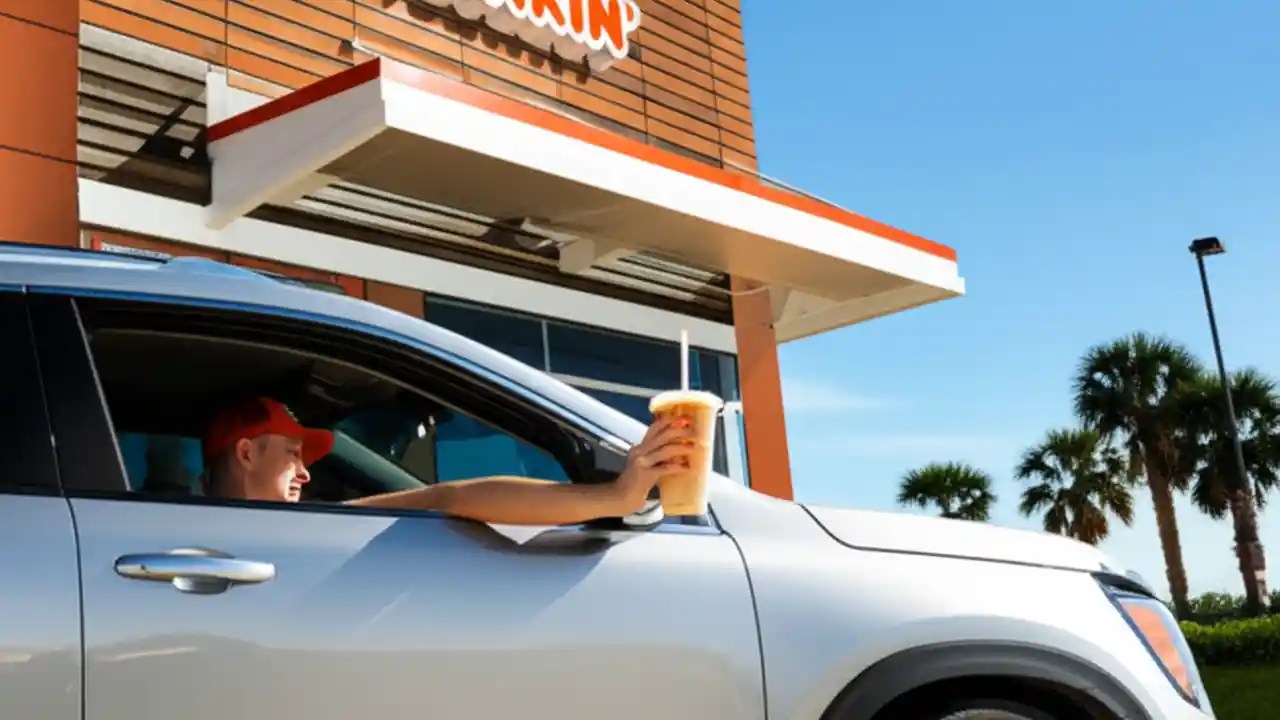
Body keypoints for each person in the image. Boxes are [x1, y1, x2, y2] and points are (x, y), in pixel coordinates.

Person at [200, 396, 696, 526]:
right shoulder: (298, 531)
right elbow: (449, 498)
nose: (307, 474)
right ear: (246, 452)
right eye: (292, 455)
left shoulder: (163, 531)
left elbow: (448, 498)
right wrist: (617, 495)